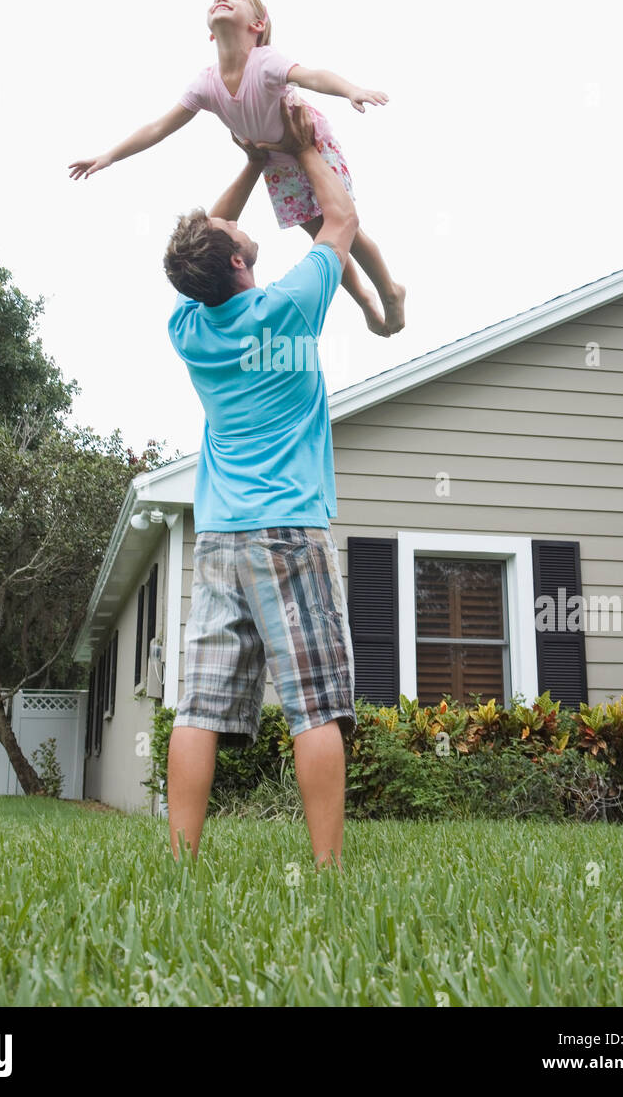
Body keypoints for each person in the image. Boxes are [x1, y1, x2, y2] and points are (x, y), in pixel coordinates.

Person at [162, 97, 359, 871]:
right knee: (313, 704)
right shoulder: (286, 309)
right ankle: (327, 868)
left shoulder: (191, 329)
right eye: (235, 237)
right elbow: (338, 221)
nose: (238, 226)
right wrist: (306, 148)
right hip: (287, 533)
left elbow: (200, 256)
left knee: (200, 706)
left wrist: (249, 161)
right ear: (241, 264)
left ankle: (182, 862)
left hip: (218, 539)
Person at [69, 0, 405, 336]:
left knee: (345, 225)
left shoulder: (265, 62)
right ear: (210, 34)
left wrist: (352, 90)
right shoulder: (205, 84)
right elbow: (158, 127)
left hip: (309, 143)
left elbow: (312, 76)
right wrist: (109, 156)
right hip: (275, 165)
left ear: (258, 24)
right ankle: (364, 300)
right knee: (321, 234)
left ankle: (388, 289)